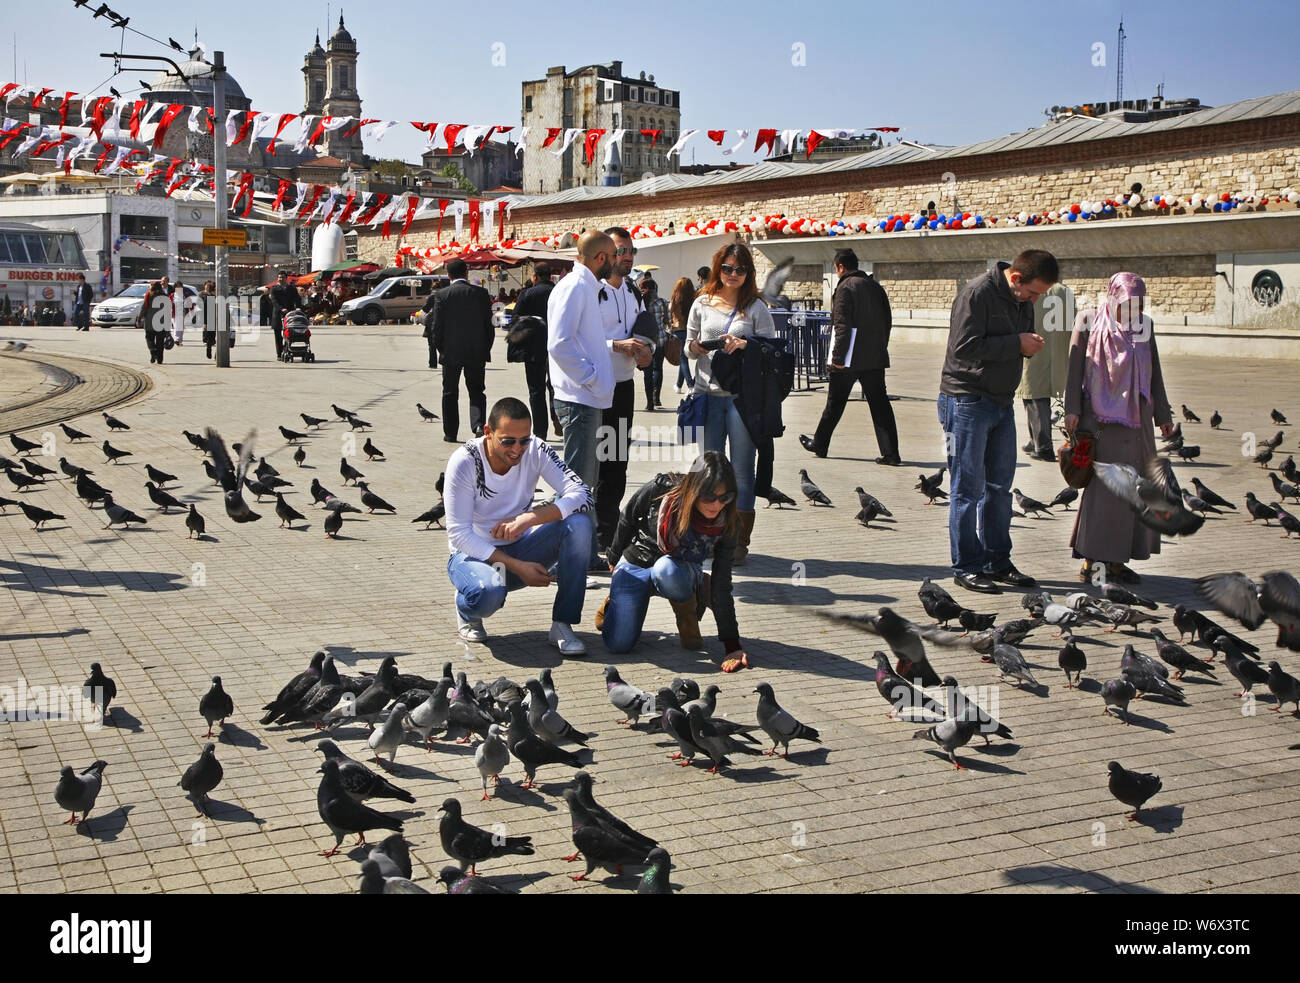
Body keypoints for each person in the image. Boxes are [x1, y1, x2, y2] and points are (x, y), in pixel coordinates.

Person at [939, 249, 1059, 594]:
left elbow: (1014, 342)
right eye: (1034, 292)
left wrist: (1026, 346)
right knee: (967, 488)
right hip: (966, 401)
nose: (1035, 300)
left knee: (998, 488)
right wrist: (1016, 343)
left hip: (1001, 402)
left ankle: (996, 560)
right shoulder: (976, 294)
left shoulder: (1023, 299)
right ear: (1016, 278)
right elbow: (963, 347)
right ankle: (966, 565)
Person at [444, 396, 594, 656]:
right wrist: (517, 567)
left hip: (522, 547)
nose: (517, 449)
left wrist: (531, 517)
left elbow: (582, 494)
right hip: (473, 557)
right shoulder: (464, 461)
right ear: (488, 433)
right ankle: (466, 608)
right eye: (508, 441)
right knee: (487, 593)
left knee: (579, 525)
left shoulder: (536, 449)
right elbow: (459, 535)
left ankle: (562, 623)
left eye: (524, 439)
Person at [1063, 273, 1173, 585]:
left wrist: (1162, 414)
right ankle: (1092, 561)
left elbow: (1155, 373)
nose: (1132, 310)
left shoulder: (1144, 326)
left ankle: (1117, 561)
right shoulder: (1088, 321)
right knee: (1105, 493)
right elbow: (1074, 370)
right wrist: (1072, 409)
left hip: (1138, 421)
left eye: (1138, 303)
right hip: (1101, 421)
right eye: (1127, 303)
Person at [599, 451, 752, 673]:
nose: (717, 504)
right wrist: (613, 558)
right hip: (638, 560)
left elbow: (723, 584)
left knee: (666, 569)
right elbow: (629, 515)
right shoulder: (663, 488)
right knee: (618, 645)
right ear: (694, 489)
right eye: (709, 496)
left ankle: (691, 599)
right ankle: (617, 601)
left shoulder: (728, 522)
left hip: (677, 570)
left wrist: (732, 645)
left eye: (725, 497)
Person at [686, 241, 776, 564]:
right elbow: (686, 346)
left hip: (742, 399)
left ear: (748, 273)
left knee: (740, 470)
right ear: (718, 269)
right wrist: (695, 348)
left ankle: (738, 542)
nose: (733, 274)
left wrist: (745, 344)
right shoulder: (702, 303)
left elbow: (771, 349)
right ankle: (708, 535)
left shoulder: (756, 307)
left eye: (740, 269)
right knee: (709, 470)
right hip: (708, 393)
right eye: (727, 268)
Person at [799, 248, 900, 464]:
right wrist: (881, 347)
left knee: (835, 402)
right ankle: (891, 453)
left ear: (840, 267)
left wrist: (837, 358)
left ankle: (820, 442)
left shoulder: (845, 287)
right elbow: (887, 321)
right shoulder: (874, 286)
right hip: (874, 358)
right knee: (880, 405)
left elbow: (842, 325)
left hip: (849, 359)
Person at [595, 227, 652, 563]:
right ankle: (590, 535)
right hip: (593, 391)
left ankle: (607, 534)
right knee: (595, 466)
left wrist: (646, 355)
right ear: (605, 254)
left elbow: (644, 336)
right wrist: (614, 345)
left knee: (616, 463)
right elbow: (575, 341)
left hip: (623, 388)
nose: (628, 257)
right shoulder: (590, 291)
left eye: (631, 251)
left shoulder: (633, 292)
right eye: (621, 251)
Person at [548, 230, 616, 507]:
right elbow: (559, 344)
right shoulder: (575, 287)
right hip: (579, 399)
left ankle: (581, 547)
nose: (617, 260)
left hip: (586, 397)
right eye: (613, 255)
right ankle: (568, 547)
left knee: (581, 485)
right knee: (576, 486)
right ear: (600, 258)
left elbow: (583, 341)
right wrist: (591, 377)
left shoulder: (585, 287)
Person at [432, 258, 494, 444]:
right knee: (476, 390)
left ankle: (451, 433)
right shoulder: (481, 294)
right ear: (466, 273)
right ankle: (478, 425)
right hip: (476, 352)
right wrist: (484, 349)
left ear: (448, 275)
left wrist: (442, 349)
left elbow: (437, 328)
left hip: (450, 353)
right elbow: (488, 327)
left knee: (450, 392)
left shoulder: (442, 295)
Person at [1018, 281, 1075, 461]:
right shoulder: (1066, 292)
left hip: (1036, 347)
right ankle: (1033, 439)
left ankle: (1043, 446)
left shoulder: (1034, 290)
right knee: (1036, 394)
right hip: (1059, 349)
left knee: (1034, 395)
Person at [511, 264, 555, 442]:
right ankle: (559, 417)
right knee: (557, 387)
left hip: (534, 350)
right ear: (550, 276)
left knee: (536, 391)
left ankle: (541, 431)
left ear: (535, 276)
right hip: (558, 348)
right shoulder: (559, 291)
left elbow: (515, 319)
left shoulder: (527, 294)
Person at [639, 277, 670, 411]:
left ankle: (649, 403)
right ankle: (656, 397)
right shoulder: (662, 302)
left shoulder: (642, 303)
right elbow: (667, 321)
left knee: (648, 372)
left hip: (647, 342)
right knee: (658, 369)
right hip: (661, 339)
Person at [669, 277, 696, 393]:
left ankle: (690, 385)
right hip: (689, 331)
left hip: (677, 330)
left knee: (683, 359)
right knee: (683, 358)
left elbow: (669, 310)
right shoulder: (693, 299)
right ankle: (679, 385)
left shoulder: (675, 298)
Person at [267, 271, 300, 359]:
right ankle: (279, 354)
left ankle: (287, 350)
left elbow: (297, 298)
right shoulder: (274, 288)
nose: (280, 279)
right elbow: (274, 301)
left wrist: (298, 307)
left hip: (290, 314)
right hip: (278, 314)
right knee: (278, 335)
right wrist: (281, 308)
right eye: (279, 277)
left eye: (282, 277)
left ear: (286, 278)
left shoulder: (291, 288)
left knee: (289, 334)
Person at [137, 281, 170, 364]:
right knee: (160, 341)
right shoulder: (165, 296)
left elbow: (144, 308)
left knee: (149, 338)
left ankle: (153, 351)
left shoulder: (148, 295)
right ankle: (160, 359)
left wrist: (139, 318)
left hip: (149, 322)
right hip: (161, 322)